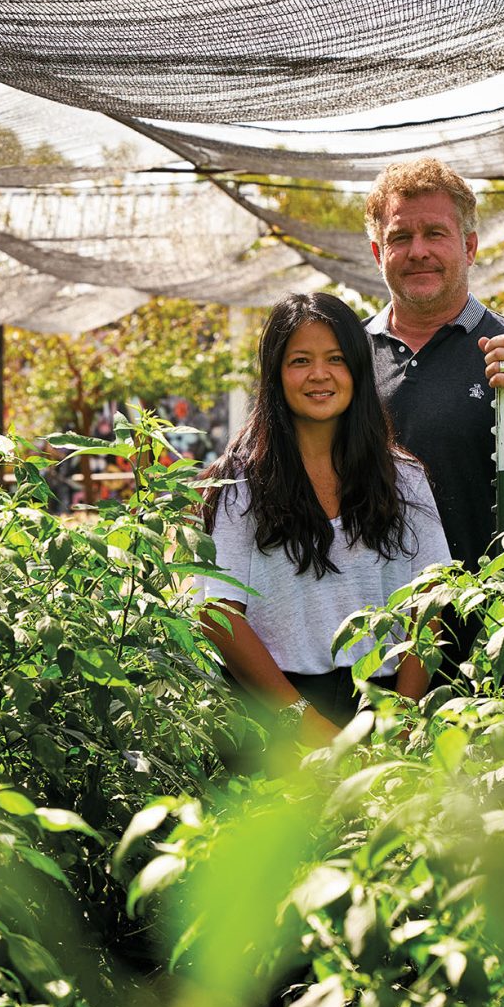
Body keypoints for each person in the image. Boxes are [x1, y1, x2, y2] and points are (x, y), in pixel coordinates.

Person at [196, 291, 451, 745]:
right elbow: (218, 612)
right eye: (299, 361)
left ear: (358, 368)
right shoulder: (239, 482)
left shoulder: (405, 478)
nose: (319, 375)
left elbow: (429, 607)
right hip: (272, 712)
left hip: (385, 706)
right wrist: (305, 722)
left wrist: (403, 722)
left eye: (336, 358)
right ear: (275, 374)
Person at [364, 158, 504, 573]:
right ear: (379, 253)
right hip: (366, 622)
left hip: (485, 620)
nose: (419, 251)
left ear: (469, 247)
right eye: (400, 237)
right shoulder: (347, 355)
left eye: (436, 233)